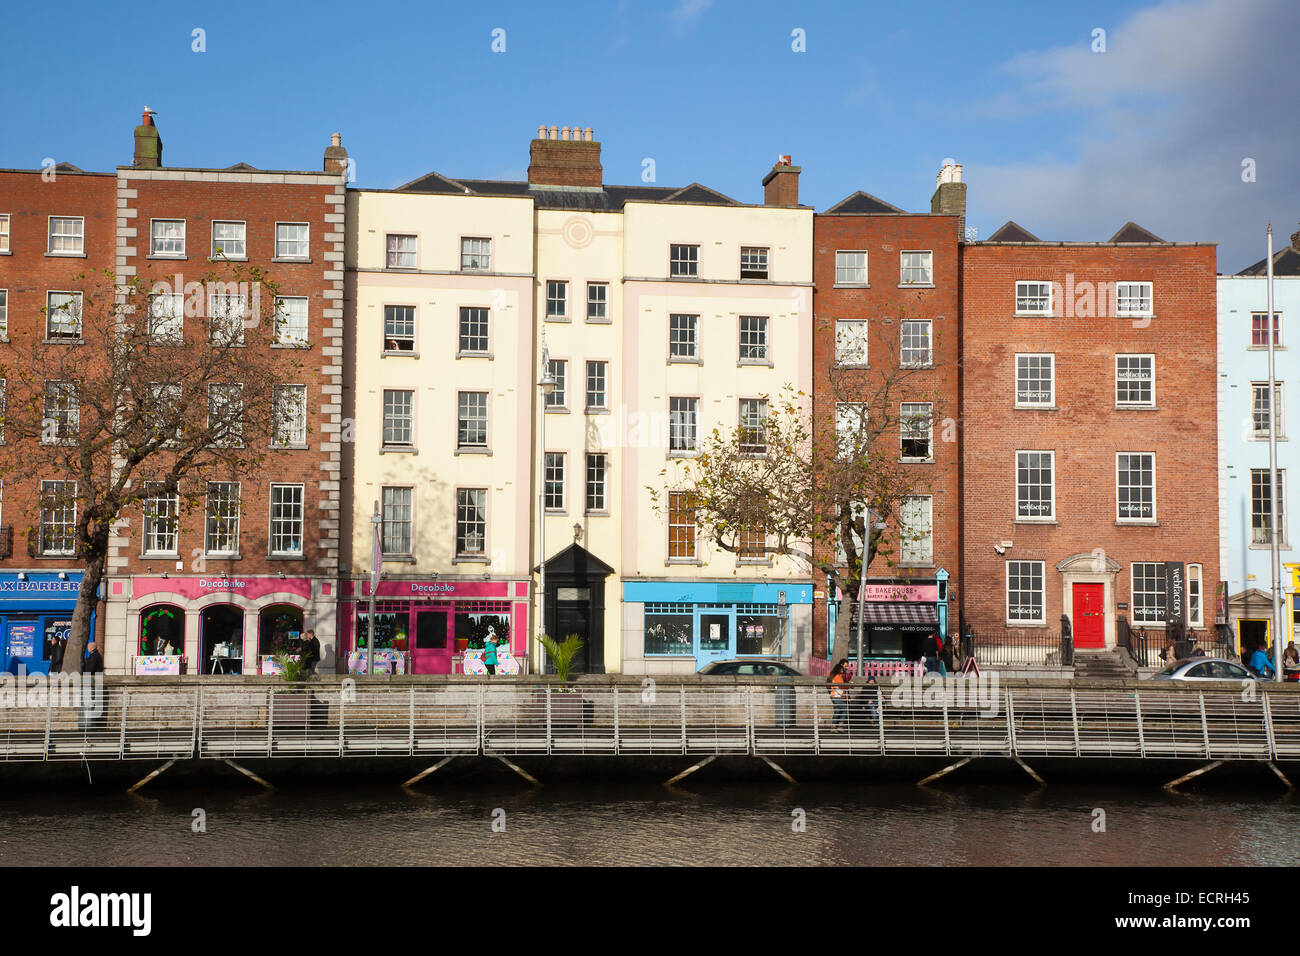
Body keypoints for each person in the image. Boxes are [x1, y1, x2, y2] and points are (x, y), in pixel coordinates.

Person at [827, 659, 851, 732]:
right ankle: (840, 725)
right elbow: (842, 685)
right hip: (837, 696)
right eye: (841, 669)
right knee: (845, 708)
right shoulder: (838, 676)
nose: (842, 670)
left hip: (835, 695)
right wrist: (849, 686)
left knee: (837, 710)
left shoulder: (833, 675)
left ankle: (834, 726)